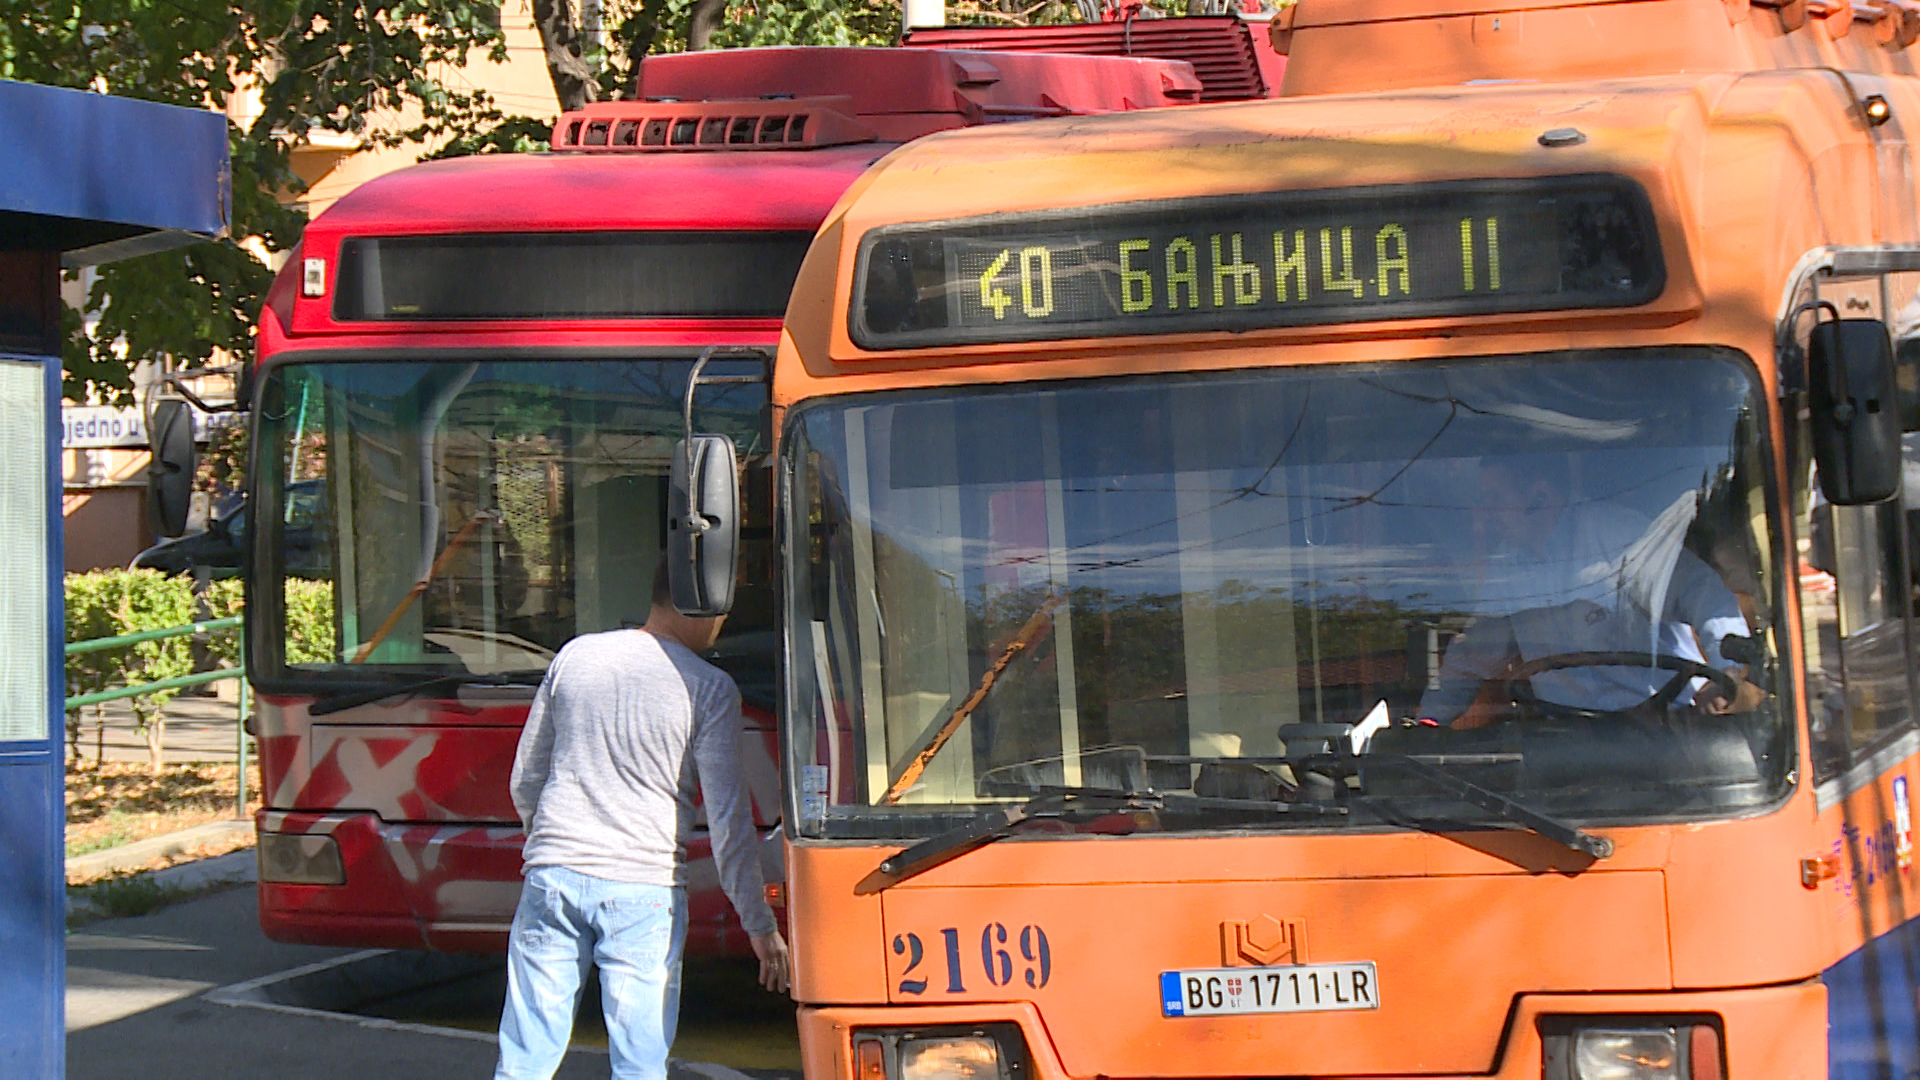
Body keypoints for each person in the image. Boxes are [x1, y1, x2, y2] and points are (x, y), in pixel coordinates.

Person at [495, 561, 789, 1080]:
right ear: (703, 607)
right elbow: (728, 823)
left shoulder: (576, 655)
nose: (721, 628)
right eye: (722, 615)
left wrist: (544, 843)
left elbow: (527, 776)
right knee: (639, 1063)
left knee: (525, 1057)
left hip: (553, 874)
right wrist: (759, 924)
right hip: (644, 889)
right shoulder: (710, 688)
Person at [1418, 456, 1766, 728]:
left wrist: (1727, 675)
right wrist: (1427, 723)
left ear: (1540, 495)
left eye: (1495, 498)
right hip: (1566, 737)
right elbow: (1473, 655)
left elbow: (1704, 595)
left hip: (1659, 728)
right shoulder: (1507, 568)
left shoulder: (1617, 537)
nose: (1485, 514)